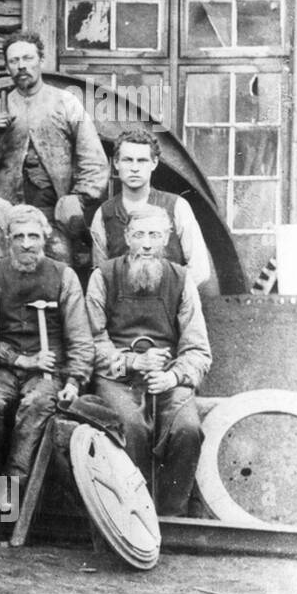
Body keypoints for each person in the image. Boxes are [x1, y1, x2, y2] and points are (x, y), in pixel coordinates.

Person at [86, 205, 212, 516]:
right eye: (139, 234)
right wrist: (132, 362)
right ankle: (132, 513)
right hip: (117, 376)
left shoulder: (181, 281)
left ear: (167, 239)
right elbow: (89, 343)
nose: (146, 243)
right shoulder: (103, 277)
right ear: (127, 237)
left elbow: (198, 349)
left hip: (166, 376)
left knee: (187, 429)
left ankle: (169, 513)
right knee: (130, 427)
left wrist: (174, 377)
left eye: (155, 235)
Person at [0, 205, 93, 489]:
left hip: (49, 371)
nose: (26, 244)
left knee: (37, 404)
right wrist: (20, 360)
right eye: (18, 237)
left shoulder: (64, 276)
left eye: (33, 236)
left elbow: (80, 337)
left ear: (45, 236)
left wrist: (75, 381)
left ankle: (13, 488)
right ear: (7, 238)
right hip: (4, 366)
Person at [0, 31, 108, 267]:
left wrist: (79, 199)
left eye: (27, 58)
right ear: (7, 67)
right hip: (7, 214)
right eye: (14, 61)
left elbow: (94, 159)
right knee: (5, 276)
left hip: (53, 215)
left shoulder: (65, 102)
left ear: (41, 60)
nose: (21, 66)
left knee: (57, 274)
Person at [90, 129, 211, 288]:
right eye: (127, 160)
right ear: (116, 163)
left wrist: (171, 296)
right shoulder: (104, 214)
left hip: (169, 307)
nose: (134, 168)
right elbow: (101, 275)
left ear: (154, 163)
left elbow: (200, 270)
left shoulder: (177, 207)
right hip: (124, 308)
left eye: (142, 160)